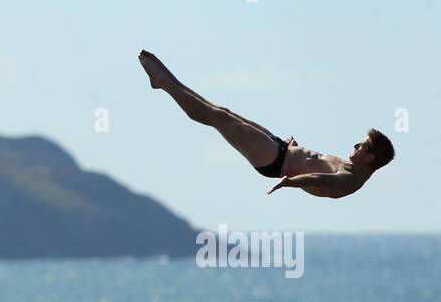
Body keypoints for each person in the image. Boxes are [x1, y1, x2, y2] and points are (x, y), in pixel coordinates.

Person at [138, 50, 393, 198]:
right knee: (222, 112)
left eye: (363, 145)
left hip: (274, 161)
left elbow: (318, 178)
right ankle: (168, 80)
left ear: (370, 158)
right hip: (281, 148)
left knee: (218, 118)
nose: (356, 144)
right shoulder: (348, 165)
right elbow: (315, 163)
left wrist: (290, 182)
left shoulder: (349, 180)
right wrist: (296, 148)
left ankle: (165, 83)